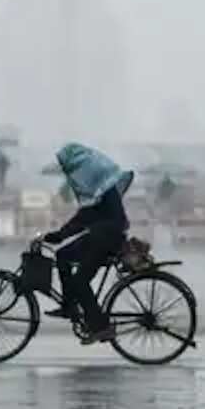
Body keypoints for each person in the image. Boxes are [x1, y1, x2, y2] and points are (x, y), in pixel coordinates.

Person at [42, 142, 133, 345]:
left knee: (80, 282)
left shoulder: (103, 189)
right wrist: (61, 235)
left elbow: (86, 216)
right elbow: (86, 216)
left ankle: (101, 327)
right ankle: (69, 305)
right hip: (100, 236)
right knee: (62, 255)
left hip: (106, 239)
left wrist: (61, 234)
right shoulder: (99, 188)